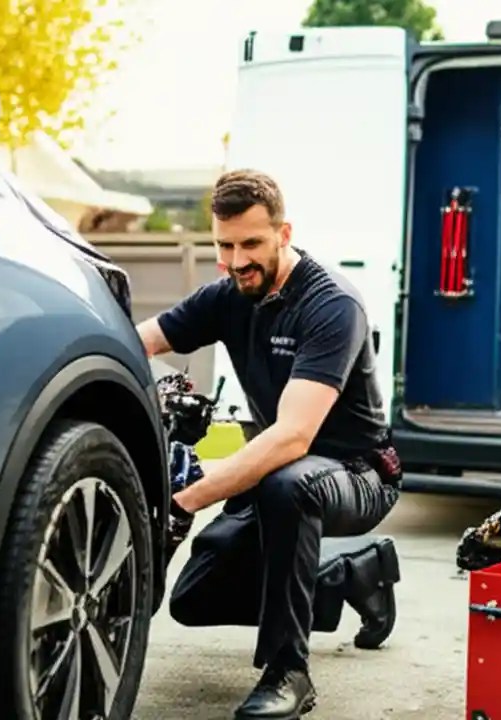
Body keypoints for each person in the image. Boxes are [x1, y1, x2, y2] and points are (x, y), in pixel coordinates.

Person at [136, 168, 402, 719]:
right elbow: (140, 341)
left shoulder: (331, 306)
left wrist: (186, 501)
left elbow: (292, 437)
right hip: (282, 476)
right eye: (224, 245)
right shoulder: (229, 293)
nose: (237, 261)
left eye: (251, 243)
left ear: (284, 234)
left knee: (288, 482)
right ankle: (353, 573)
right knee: (193, 599)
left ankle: (289, 670)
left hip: (358, 473)